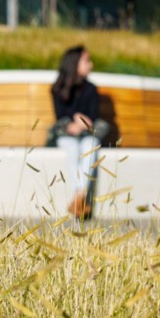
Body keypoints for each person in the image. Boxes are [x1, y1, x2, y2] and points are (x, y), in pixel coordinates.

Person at [51, 45, 101, 219]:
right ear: (74, 63)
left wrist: (83, 122)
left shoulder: (92, 89)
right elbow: (60, 117)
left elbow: (93, 117)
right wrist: (75, 119)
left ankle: (78, 197)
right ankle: (81, 198)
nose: (91, 65)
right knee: (71, 150)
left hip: (87, 134)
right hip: (67, 135)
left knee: (91, 147)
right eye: (86, 61)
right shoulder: (58, 89)